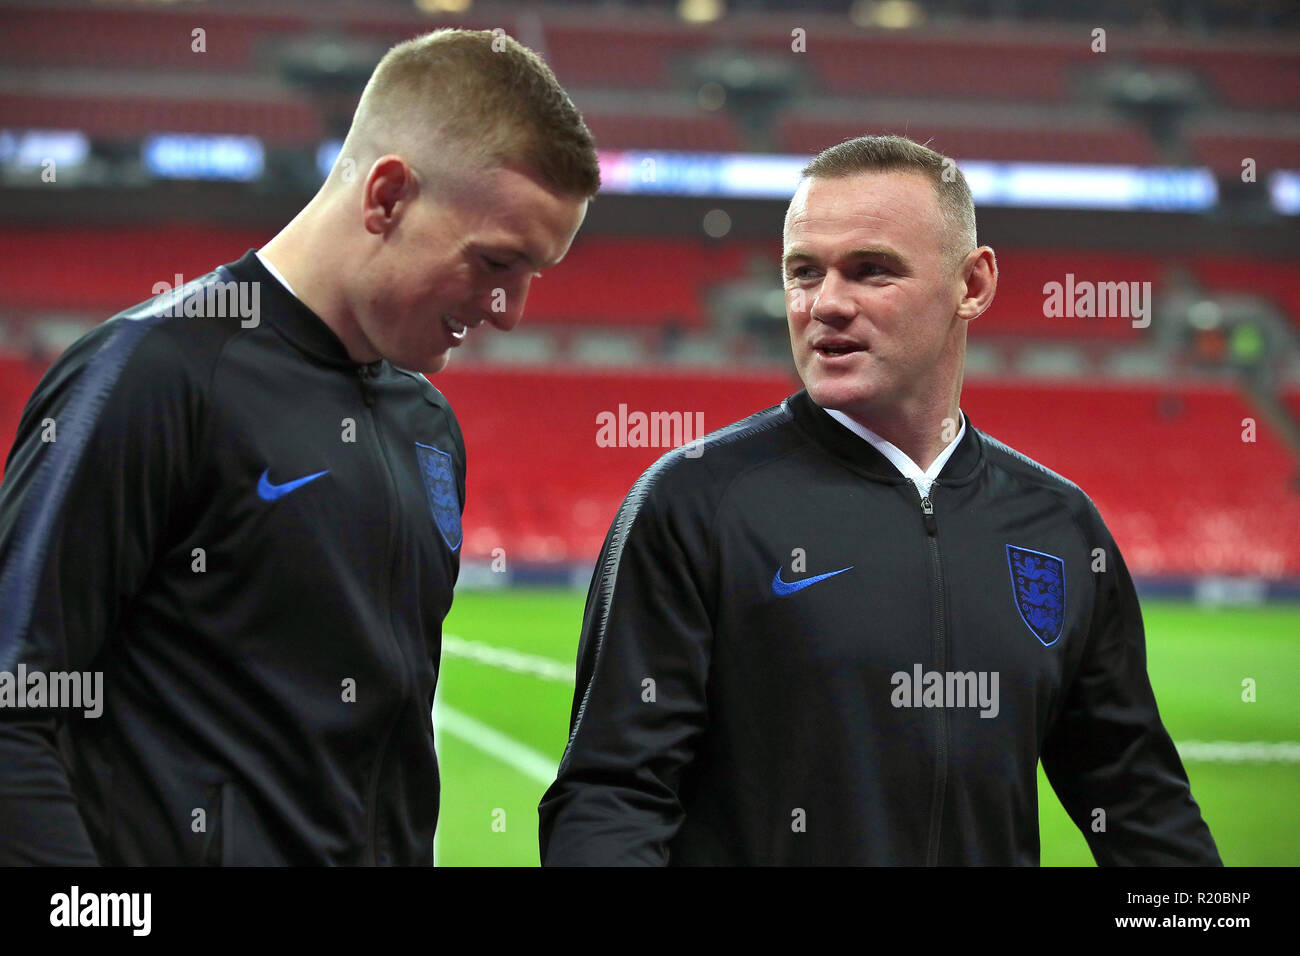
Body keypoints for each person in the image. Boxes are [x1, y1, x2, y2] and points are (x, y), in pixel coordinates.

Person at [0, 28, 597, 865]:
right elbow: (16, 708)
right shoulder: (152, 376)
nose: (512, 310)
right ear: (386, 197)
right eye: (497, 262)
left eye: (537, 272)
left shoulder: (427, 428)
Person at [538, 135, 1221, 866]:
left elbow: (1137, 803)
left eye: (871, 271)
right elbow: (613, 798)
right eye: (804, 273)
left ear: (974, 284)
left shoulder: (1058, 525)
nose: (825, 304)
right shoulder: (694, 501)